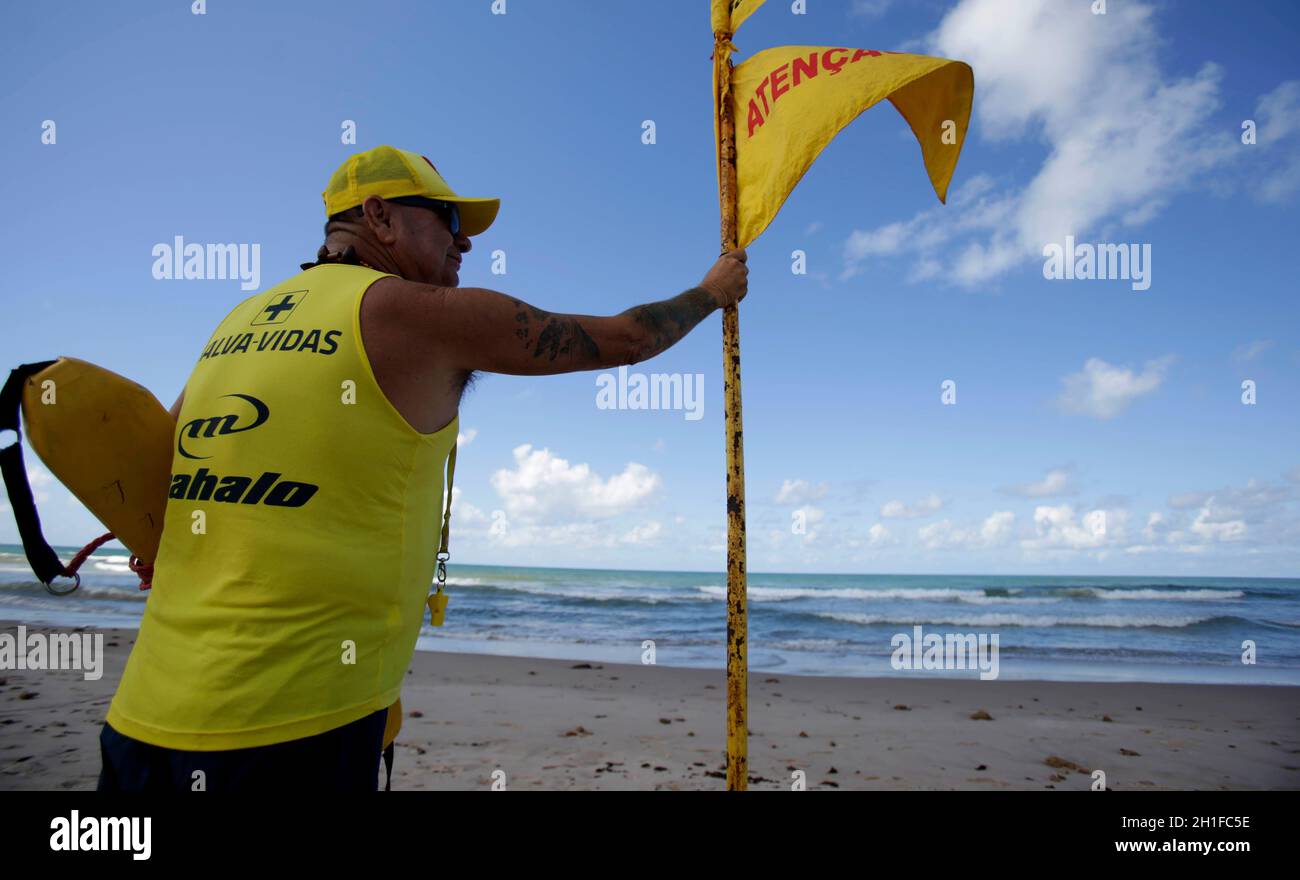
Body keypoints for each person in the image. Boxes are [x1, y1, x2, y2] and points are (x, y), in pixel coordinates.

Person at [97, 144, 748, 791]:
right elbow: (628, 337)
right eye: (447, 220)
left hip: (141, 722)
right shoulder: (415, 315)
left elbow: (163, 464)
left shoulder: (234, 324)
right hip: (293, 727)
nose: (463, 244)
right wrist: (711, 292)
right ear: (379, 216)